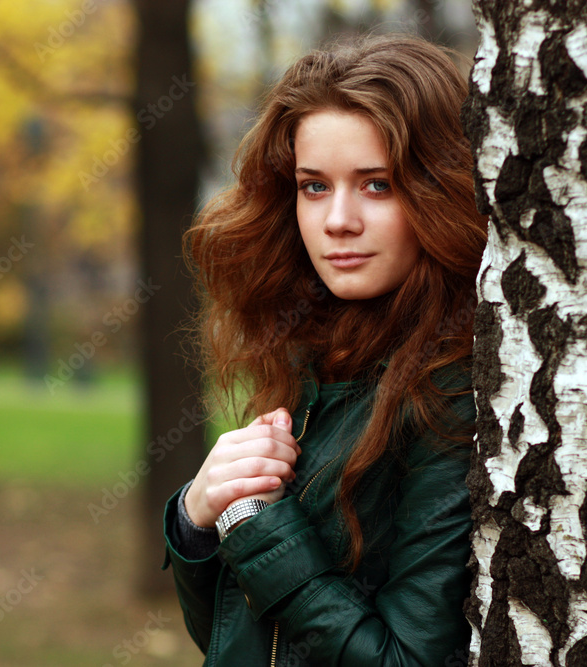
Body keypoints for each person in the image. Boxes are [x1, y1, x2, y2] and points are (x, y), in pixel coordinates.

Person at [161, 33, 487, 666]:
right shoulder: (315, 351)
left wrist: (257, 523)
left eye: (377, 185)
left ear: (441, 191)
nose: (338, 219)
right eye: (314, 186)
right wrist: (197, 519)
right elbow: (250, 641)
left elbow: (403, 660)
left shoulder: (450, 390)